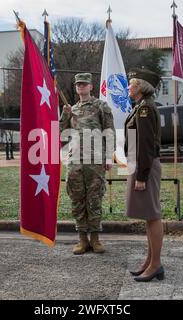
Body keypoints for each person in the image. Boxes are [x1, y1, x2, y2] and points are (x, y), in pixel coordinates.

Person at [60, 73, 115, 255]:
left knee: (94, 198)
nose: (81, 87)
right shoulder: (72, 109)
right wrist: (64, 114)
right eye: (78, 85)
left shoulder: (101, 106)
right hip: (75, 161)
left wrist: (109, 157)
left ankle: (96, 238)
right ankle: (82, 239)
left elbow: (109, 131)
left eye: (84, 84)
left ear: (91, 86)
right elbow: (61, 133)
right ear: (76, 88)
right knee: (77, 198)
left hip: (95, 160)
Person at [124, 68, 164, 282]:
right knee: (149, 215)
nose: (128, 87)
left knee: (152, 214)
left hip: (144, 166)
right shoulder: (140, 107)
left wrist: (141, 175)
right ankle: (150, 261)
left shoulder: (145, 109)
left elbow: (146, 146)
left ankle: (156, 264)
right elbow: (134, 142)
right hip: (139, 165)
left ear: (140, 87)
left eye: (131, 83)